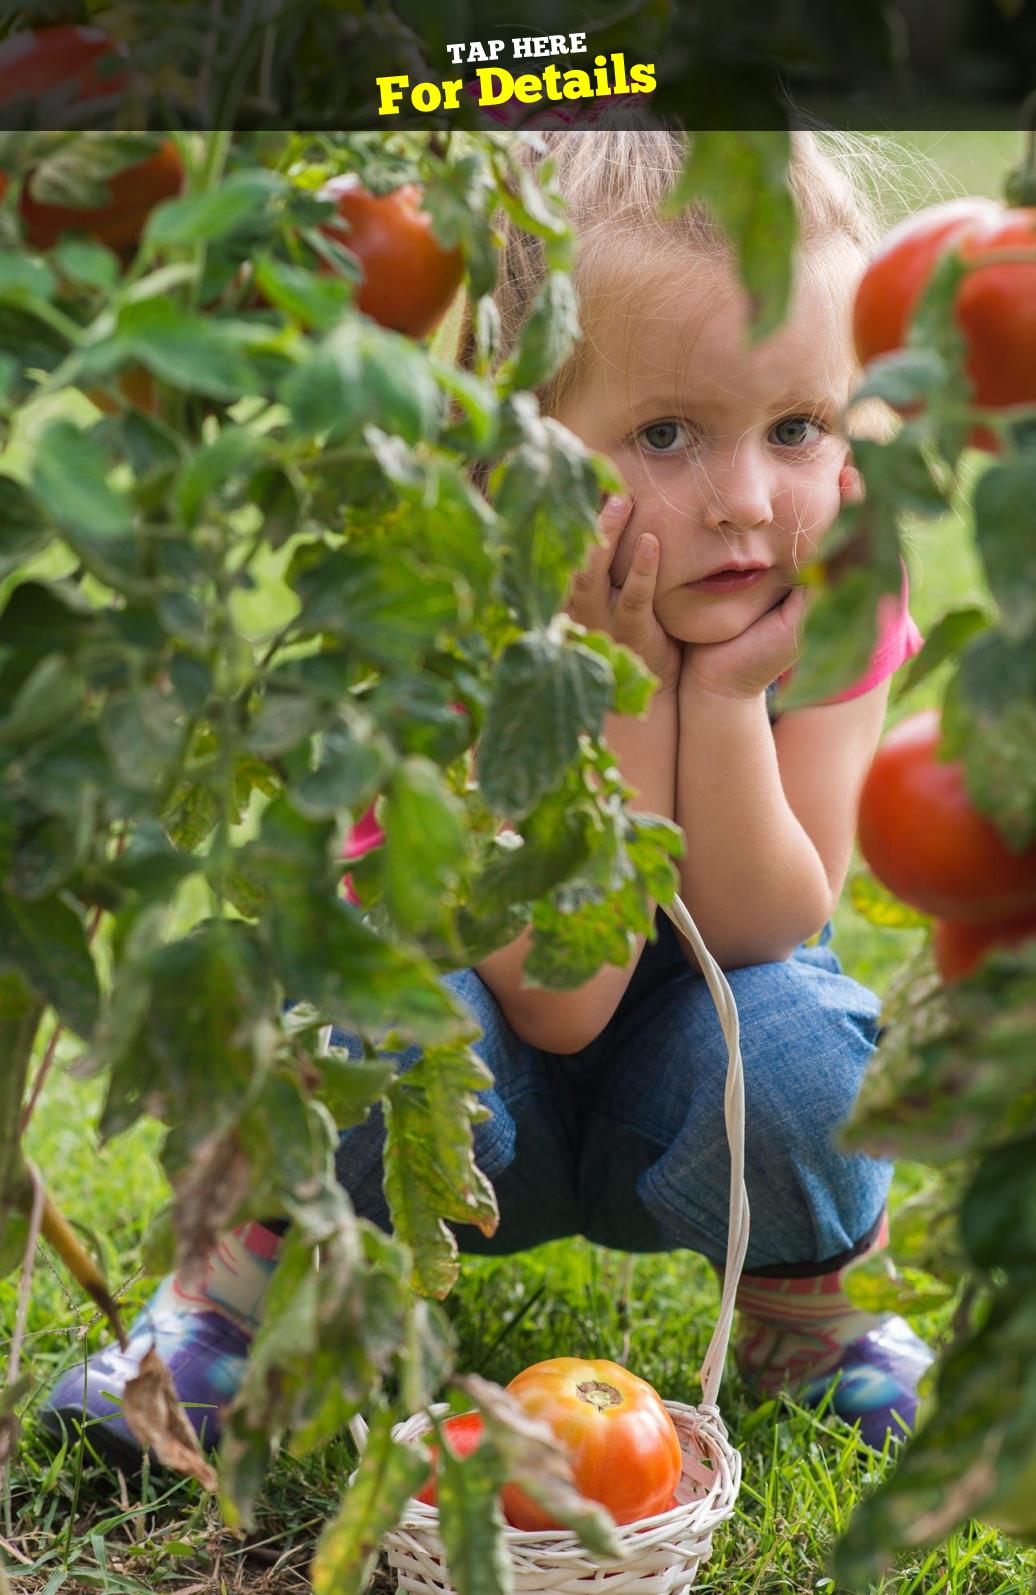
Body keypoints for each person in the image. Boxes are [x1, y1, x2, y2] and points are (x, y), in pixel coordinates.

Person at [42, 129, 931, 1467]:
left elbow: (761, 928)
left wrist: (730, 699)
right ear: (507, 451)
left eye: (797, 427)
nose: (748, 504)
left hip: (687, 1091)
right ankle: (234, 1300)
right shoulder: (455, 617)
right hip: (455, 1114)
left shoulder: (827, 604)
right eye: (667, 434)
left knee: (806, 1047)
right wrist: (614, 691)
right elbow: (554, 997)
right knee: (366, 1033)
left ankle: (805, 1314)